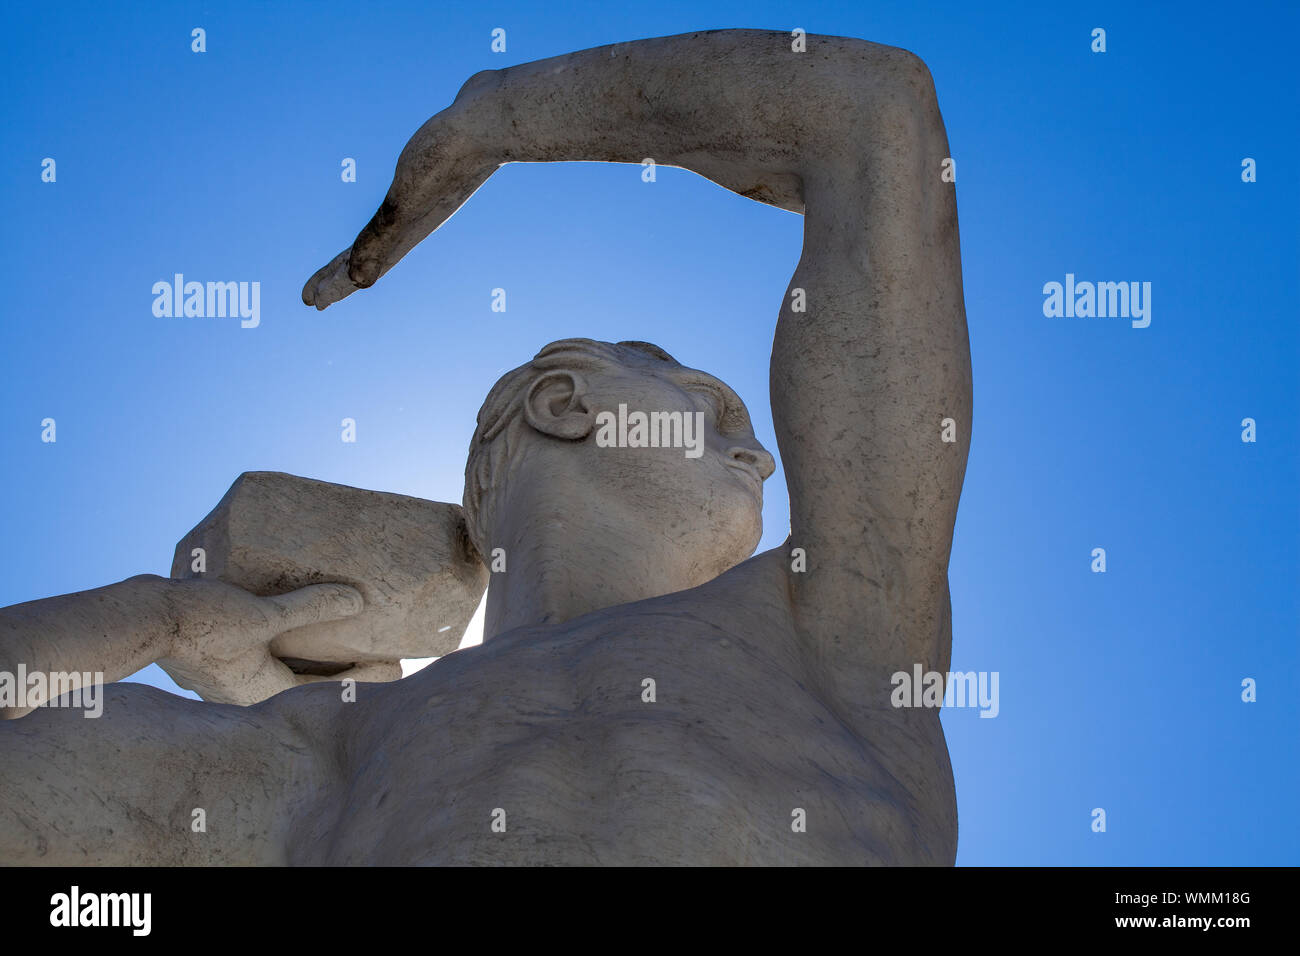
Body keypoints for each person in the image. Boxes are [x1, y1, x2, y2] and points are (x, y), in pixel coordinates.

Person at [0, 29, 971, 865]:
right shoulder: (330, 745)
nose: (759, 454)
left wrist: (498, 119)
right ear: (560, 403)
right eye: (713, 404)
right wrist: (159, 616)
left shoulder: (838, 618)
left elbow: (870, 114)